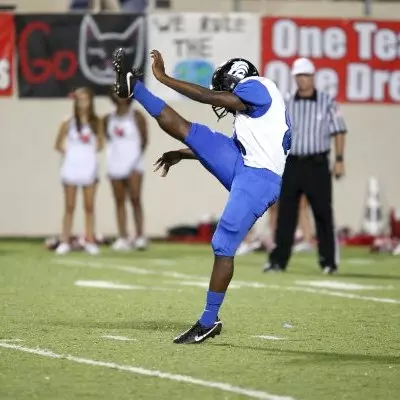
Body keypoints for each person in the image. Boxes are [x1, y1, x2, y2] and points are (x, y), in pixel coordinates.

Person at [112, 48, 291, 344]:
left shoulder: (258, 86)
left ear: (236, 79)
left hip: (260, 179)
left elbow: (211, 98)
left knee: (223, 244)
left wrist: (164, 78)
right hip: (245, 163)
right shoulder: (255, 116)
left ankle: (209, 320)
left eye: (223, 85)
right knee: (188, 131)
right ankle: (135, 88)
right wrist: (184, 154)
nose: (220, 94)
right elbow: (229, 147)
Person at [263, 57, 347, 275]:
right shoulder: (287, 101)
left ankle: (328, 262)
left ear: (313, 76)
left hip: (317, 163)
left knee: (323, 213)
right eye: (298, 76)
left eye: (306, 75)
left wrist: (339, 160)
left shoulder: (327, 102)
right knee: (286, 214)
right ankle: (278, 261)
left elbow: (339, 130)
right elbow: (276, 130)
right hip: (292, 163)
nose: (302, 80)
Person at [54, 87, 104, 255]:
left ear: (91, 102)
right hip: (71, 168)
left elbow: (100, 145)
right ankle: (65, 240)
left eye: (86, 99)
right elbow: (58, 144)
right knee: (69, 206)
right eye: (80, 99)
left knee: (89, 206)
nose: (83, 103)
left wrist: (86, 153)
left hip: (89, 168)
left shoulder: (96, 122)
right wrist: (70, 152)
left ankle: (89, 239)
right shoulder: (67, 122)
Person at [104, 90, 148, 251]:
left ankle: (140, 236)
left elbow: (144, 140)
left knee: (135, 199)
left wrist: (133, 161)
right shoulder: (108, 118)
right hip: (115, 164)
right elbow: (109, 140)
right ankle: (123, 237)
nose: (119, 97)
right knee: (119, 201)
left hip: (134, 164)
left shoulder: (137, 116)